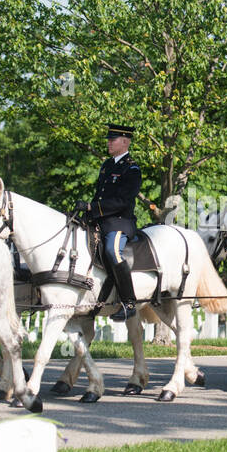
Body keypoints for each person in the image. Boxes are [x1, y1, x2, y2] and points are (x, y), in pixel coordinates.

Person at [76, 123, 142, 321]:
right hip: (101, 219)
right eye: (109, 139)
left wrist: (92, 208)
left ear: (125, 141)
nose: (109, 143)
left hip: (120, 222)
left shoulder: (132, 168)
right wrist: (86, 213)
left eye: (112, 140)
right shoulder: (107, 165)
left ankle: (129, 302)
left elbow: (122, 201)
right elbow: (100, 195)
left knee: (112, 252)